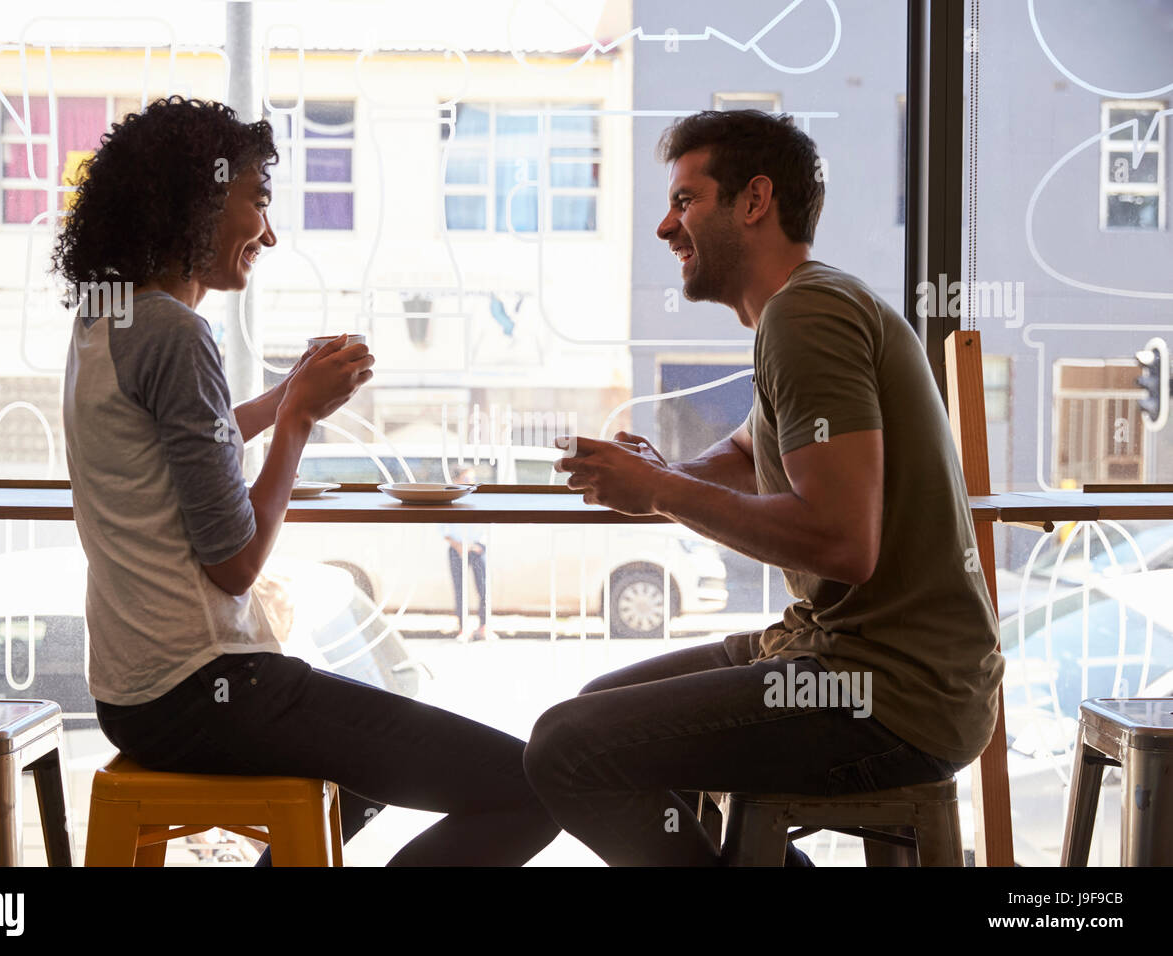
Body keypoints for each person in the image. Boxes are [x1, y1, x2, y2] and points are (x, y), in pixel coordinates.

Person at [56, 96, 557, 866]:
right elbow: (235, 564)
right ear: (197, 199)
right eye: (258, 201)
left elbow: (179, 447)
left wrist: (287, 394)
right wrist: (298, 422)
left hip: (134, 696)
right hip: (206, 686)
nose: (271, 231)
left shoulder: (106, 318)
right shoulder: (176, 334)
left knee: (365, 763)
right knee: (529, 785)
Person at [523, 110, 1005, 866]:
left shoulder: (804, 317)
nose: (664, 227)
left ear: (753, 201)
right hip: (842, 658)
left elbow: (844, 543)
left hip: (885, 693)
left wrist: (658, 492)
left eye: (686, 201)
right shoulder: (808, 308)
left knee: (567, 750)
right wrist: (662, 473)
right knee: (590, 715)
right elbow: (750, 453)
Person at [440, 465, 495, 642]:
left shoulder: (480, 499)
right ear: (456, 481)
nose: (470, 483)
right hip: (457, 550)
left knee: (484, 588)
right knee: (460, 590)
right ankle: (463, 629)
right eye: (466, 479)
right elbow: (444, 529)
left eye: (472, 479)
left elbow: (488, 523)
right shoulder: (448, 499)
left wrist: (478, 545)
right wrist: (459, 546)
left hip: (478, 549)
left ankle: (484, 626)